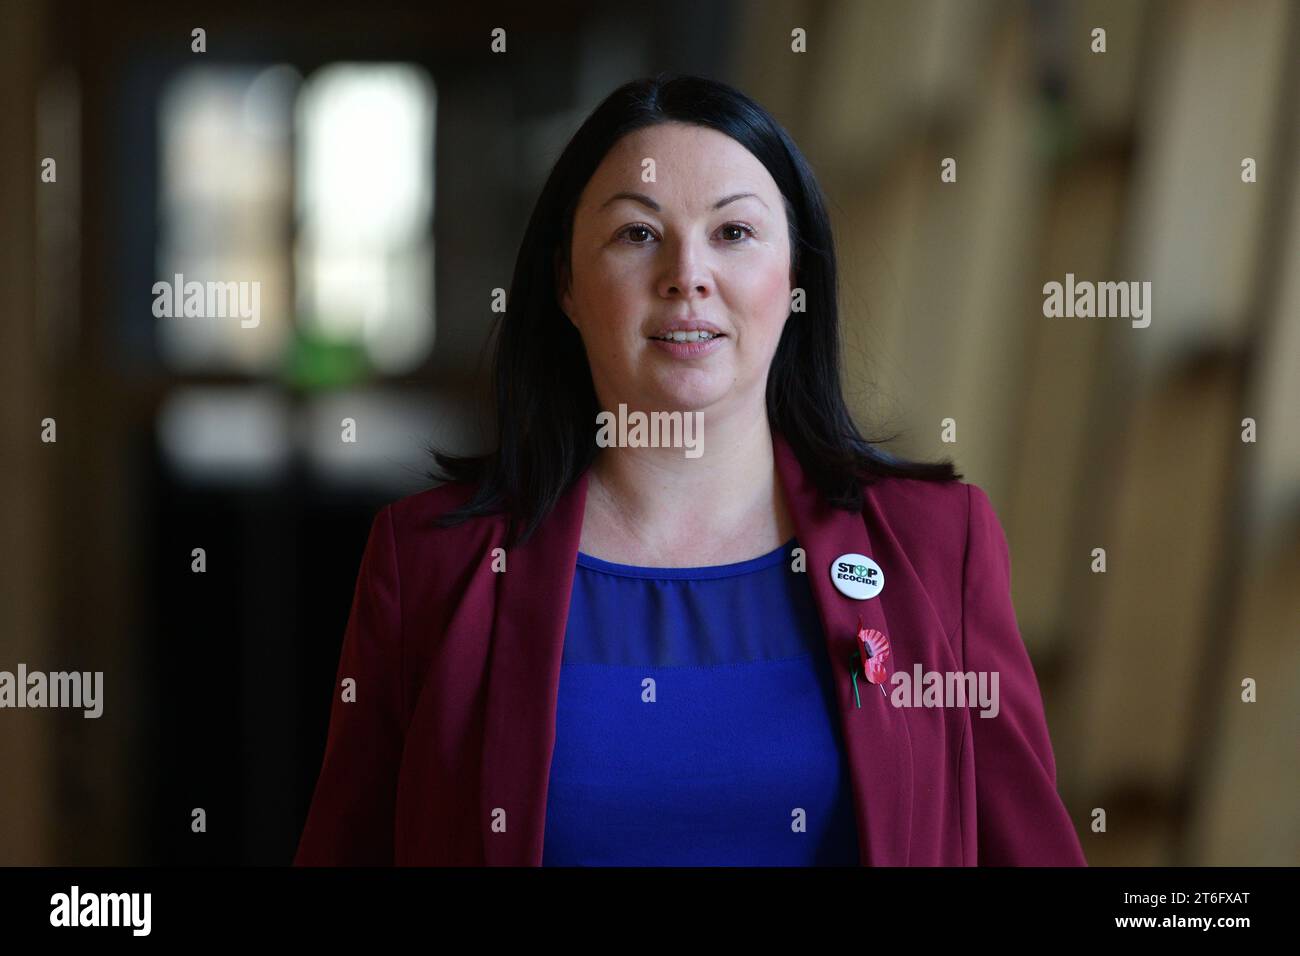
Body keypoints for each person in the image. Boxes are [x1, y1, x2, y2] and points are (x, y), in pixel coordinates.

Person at [294, 73, 1087, 866]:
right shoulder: (430, 564)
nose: (687, 275)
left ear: (797, 279)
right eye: (637, 235)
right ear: (566, 284)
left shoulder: (938, 546)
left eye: (734, 233)